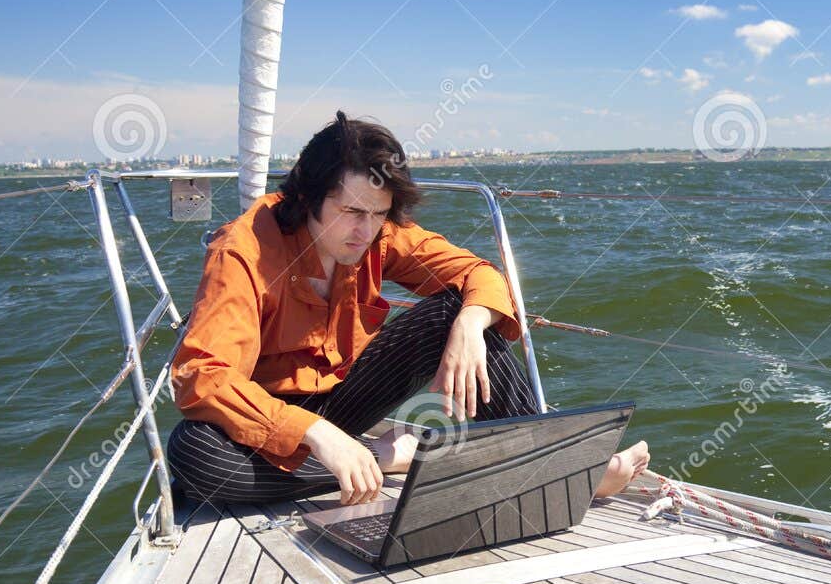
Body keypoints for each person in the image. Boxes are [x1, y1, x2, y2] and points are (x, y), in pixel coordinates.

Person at [165, 112, 649, 508]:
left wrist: (470, 324)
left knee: (456, 311)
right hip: (270, 416)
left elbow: (478, 273)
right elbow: (203, 376)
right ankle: (400, 456)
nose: (365, 230)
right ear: (308, 198)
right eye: (352, 213)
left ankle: (548, 463)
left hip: (342, 397)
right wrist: (317, 434)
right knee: (194, 454)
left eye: (378, 214)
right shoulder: (244, 251)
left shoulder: (379, 232)